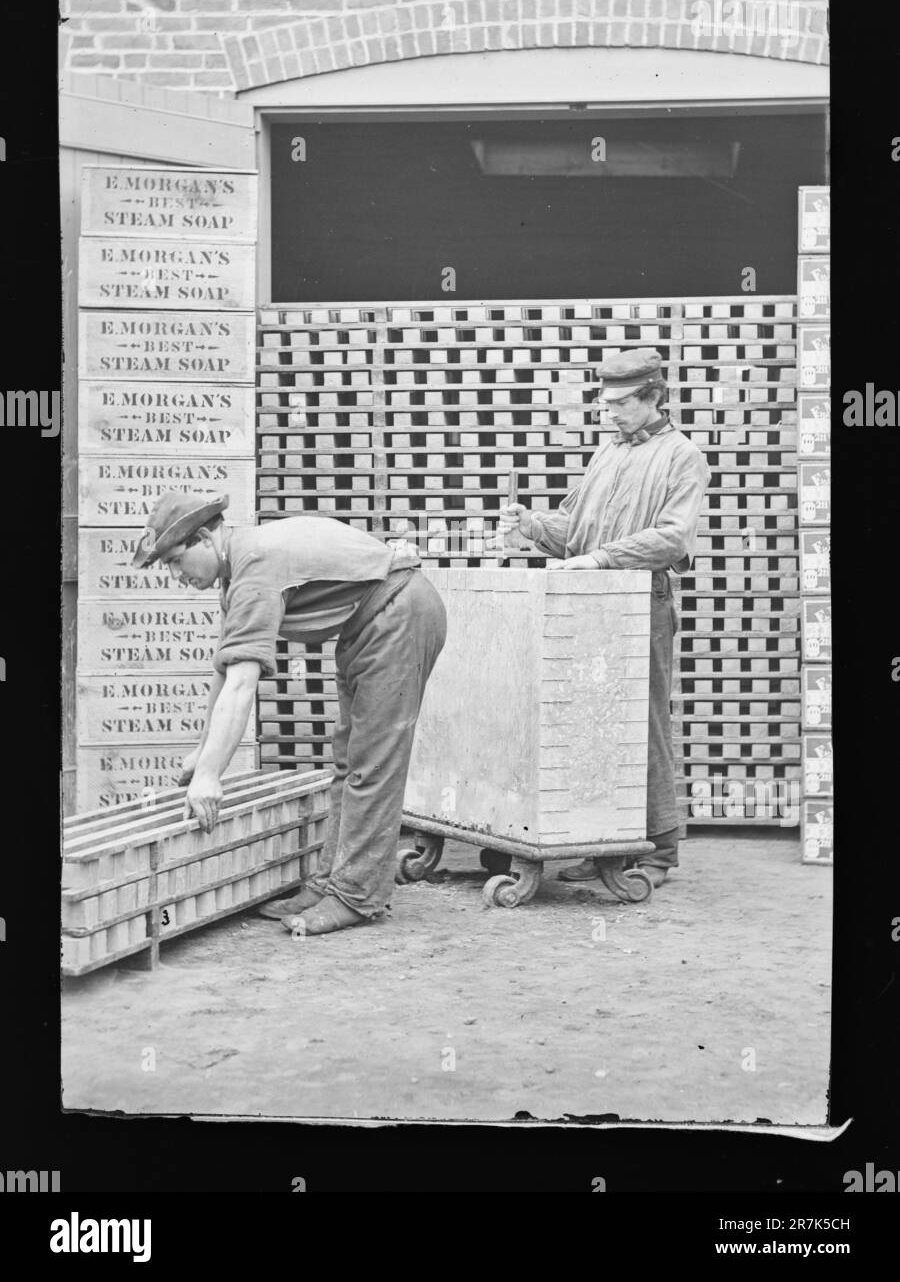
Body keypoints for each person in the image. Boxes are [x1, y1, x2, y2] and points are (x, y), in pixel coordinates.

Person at [131, 493, 446, 936]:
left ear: (204, 537)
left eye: (176, 561)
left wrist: (210, 778)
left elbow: (243, 684)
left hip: (398, 614)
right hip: (373, 620)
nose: (176, 574)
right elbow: (225, 670)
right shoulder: (241, 565)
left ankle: (356, 895)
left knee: (373, 763)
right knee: (349, 762)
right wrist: (201, 756)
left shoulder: (254, 572)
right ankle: (329, 884)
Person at [498, 348, 710, 888]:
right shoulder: (607, 454)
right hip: (590, 603)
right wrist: (533, 524)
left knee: (642, 720)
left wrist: (602, 557)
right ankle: (604, 844)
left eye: (618, 402)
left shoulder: (682, 456)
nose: (608, 411)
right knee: (591, 722)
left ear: (653, 397)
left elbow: (672, 538)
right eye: (604, 402)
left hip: (643, 601)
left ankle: (660, 852)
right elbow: (574, 530)